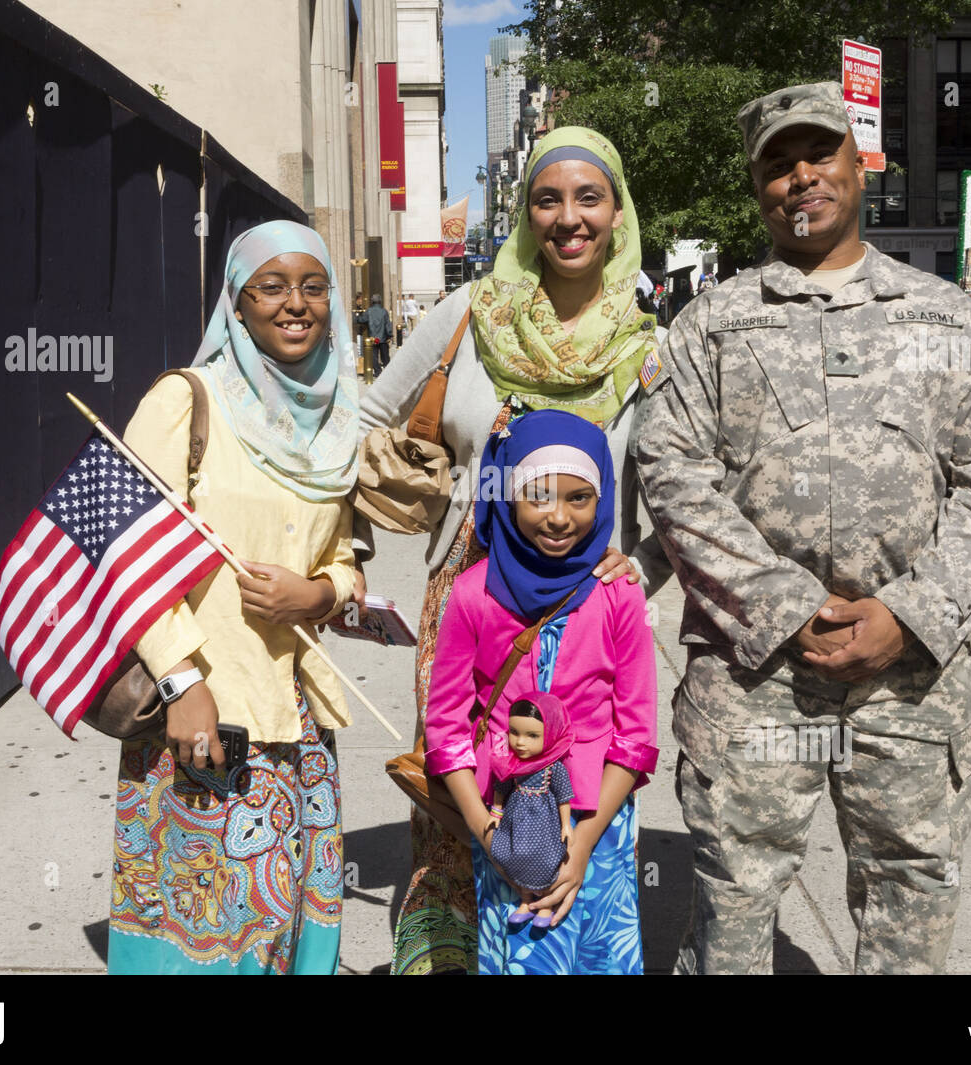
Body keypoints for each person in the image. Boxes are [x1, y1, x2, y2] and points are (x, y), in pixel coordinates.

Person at [633, 82, 971, 974]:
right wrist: (782, 606)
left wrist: (911, 613)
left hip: (910, 682)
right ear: (757, 188)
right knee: (735, 896)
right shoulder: (713, 325)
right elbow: (671, 471)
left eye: (819, 153)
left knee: (911, 897)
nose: (801, 176)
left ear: (860, 164)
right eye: (778, 164)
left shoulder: (945, 318)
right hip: (757, 674)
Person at [359, 125, 673, 975]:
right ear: (526, 213)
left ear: (618, 212)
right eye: (547, 198)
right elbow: (365, 416)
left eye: (589, 197)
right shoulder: (471, 314)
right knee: (454, 797)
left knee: (570, 787)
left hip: (585, 614)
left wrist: (644, 565)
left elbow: (689, 479)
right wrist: (346, 550)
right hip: (467, 597)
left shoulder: (646, 348)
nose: (569, 218)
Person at [111, 220, 360, 974]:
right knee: (207, 929)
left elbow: (342, 558)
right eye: (271, 287)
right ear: (236, 302)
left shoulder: (335, 419)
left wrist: (316, 593)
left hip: (298, 726)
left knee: (290, 925)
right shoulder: (185, 401)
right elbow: (128, 555)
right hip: (206, 716)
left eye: (312, 286)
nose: (295, 304)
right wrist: (181, 682)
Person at [426, 411, 658, 975]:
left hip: (598, 819)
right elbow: (446, 727)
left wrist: (583, 846)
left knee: (596, 954)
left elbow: (636, 734)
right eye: (538, 496)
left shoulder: (618, 593)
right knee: (523, 954)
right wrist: (490, 837)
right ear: (507, 495)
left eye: (580, 498)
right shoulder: (473, 595)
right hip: (508, 822)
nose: (559, 517)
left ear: (602, 499)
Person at [487, 692, 574, 928]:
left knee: (546, 860)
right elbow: (501, 787)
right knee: (513, 855)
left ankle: (545, 905)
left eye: (532, 735)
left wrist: (566, 825)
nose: (520, 742)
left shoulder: (553, 768)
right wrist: (496, 812)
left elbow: (564, 798)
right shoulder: (512, 764)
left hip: (543, 824)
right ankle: (525, 902)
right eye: (514, 732)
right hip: (516, 821)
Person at [365, 293, 393, 376]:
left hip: (373, 337)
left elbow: (362, 319)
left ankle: (378, 371)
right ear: (380, 301)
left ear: (372, 301)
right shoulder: (384, 311)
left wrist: (355, 318)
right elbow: (388, 324)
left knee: (374, 356)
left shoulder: (369, 311)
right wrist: (389, 335)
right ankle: (388, 372)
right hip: (383, 337)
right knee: (385, 356)